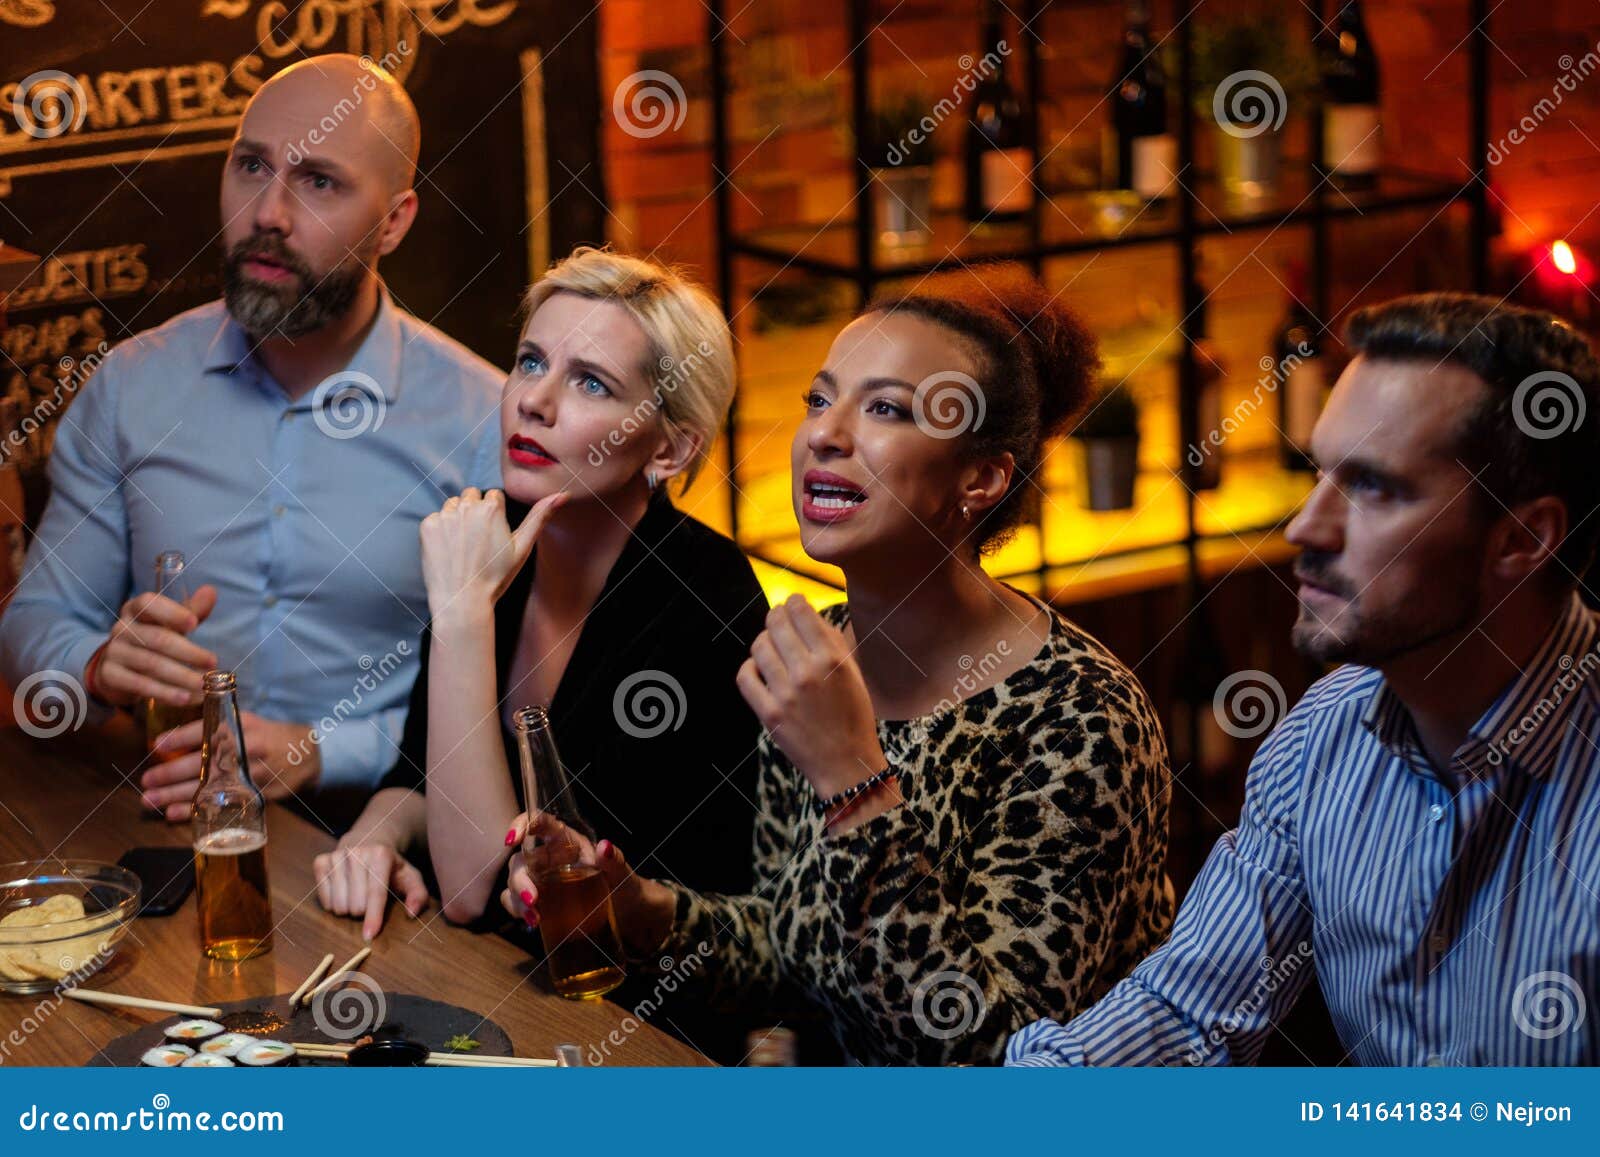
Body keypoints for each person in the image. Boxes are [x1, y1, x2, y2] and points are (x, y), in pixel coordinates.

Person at [501, 273, 1176, 1065]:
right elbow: (792, 960)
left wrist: (855, 782)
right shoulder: (810, 656)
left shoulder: (1077, 715)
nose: (826, 434)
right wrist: (641, 909)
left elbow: (995, 1057)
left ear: (982, 478)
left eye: (885, 408)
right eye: (820, 401)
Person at [1008, 293, 1600, 1067]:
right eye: (1322, 473)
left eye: (1375, 487)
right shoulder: (1323, 733)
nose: (1306, 528)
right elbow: (1190, 1013)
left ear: (1522, 538)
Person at [0, 54, 502, 826]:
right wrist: (98, 665)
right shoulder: (132, 388)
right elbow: (34, 619)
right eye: (250, 167)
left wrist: (329, 747)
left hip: (385, 843)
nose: (270, 213)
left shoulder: (482, 422)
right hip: (160, 816)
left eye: (319, 182)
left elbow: (522, 694)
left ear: (395, 220)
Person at [313, 249, 765, 971]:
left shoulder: (703, 599)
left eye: (591, 382)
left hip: (642, 1031)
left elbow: (485, 888)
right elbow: (425, 771)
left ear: (671, 448)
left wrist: (463, 618)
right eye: (530, 362)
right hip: (481, 979)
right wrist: (377, 828)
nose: (535, 400)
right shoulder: (497, 537)